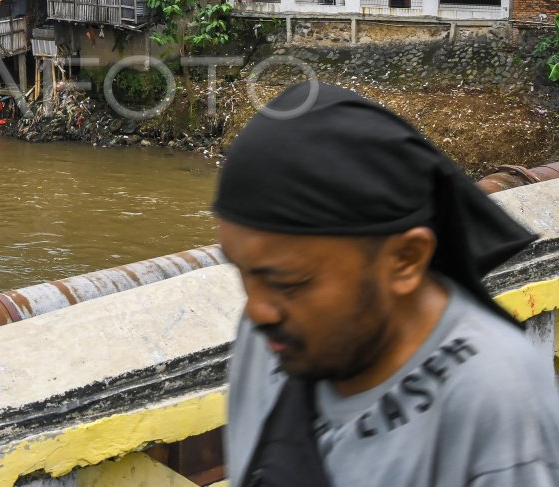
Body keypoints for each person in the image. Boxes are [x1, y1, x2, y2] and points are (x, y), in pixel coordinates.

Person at [214, 81, 559, 487]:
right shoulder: (268, 335)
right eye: (243, 271)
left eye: (289, 282)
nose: (257, 309)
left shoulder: (494, 398)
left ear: (405, 259)